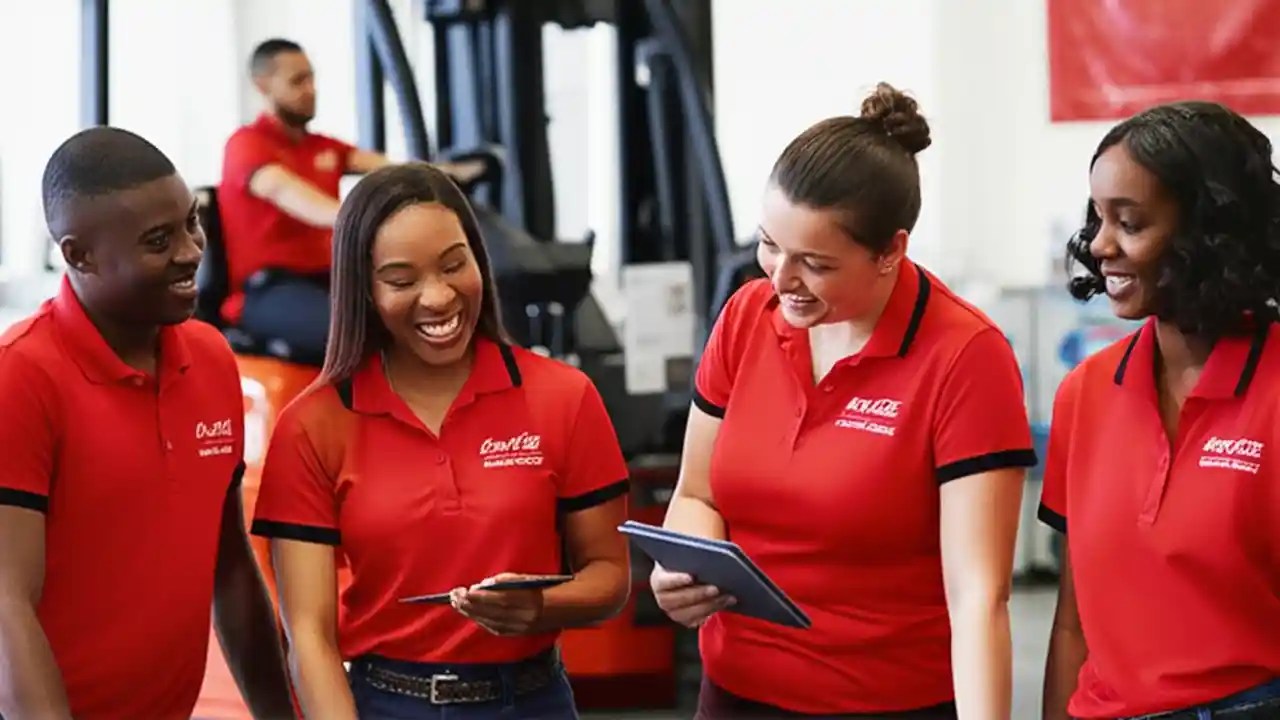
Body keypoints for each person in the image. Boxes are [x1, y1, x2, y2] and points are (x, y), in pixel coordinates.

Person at [651, 83, 1038, 719]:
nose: (780, 280)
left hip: (888, 703)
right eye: (770, 245)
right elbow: (697, 494)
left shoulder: (965, 356)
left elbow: (978, 597)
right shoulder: (748, 317)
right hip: (736, 694)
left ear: (891, 251)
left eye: (816, 264)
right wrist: (684, 570)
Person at [249, 162, 631, 719]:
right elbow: (308, 634)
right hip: (387, 705)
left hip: (532, 702)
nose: (438, 298)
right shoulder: (314, 423)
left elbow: (610, 576)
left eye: (455, 266)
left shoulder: (563, 395)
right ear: (365, 288)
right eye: (402, 281)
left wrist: (542, 607)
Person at [0, 127, 295, 720]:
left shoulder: (210, 359)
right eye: (159, 240)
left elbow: (230, 566)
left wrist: (281, 714)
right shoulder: (22, 378)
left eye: (191, 222)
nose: (191, 250)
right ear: (78, 253)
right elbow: (6, 610)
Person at [1040, 102, 1280, 719]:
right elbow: (1073, 622)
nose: (1100, 245)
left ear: (1208, 233)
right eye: (1098, 217)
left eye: (1131, 222)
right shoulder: (1086, 391)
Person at [217, 38, 481, 361]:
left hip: (329, 278)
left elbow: (394, 170)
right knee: (357, 334)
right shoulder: (246, 145)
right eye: (297, 81)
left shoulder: (322, 146)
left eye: (312, 78)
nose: (311, 89)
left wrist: (449, 174)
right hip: (270, 290)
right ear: (263, 85)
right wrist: (360, 218)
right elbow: (286, 192)